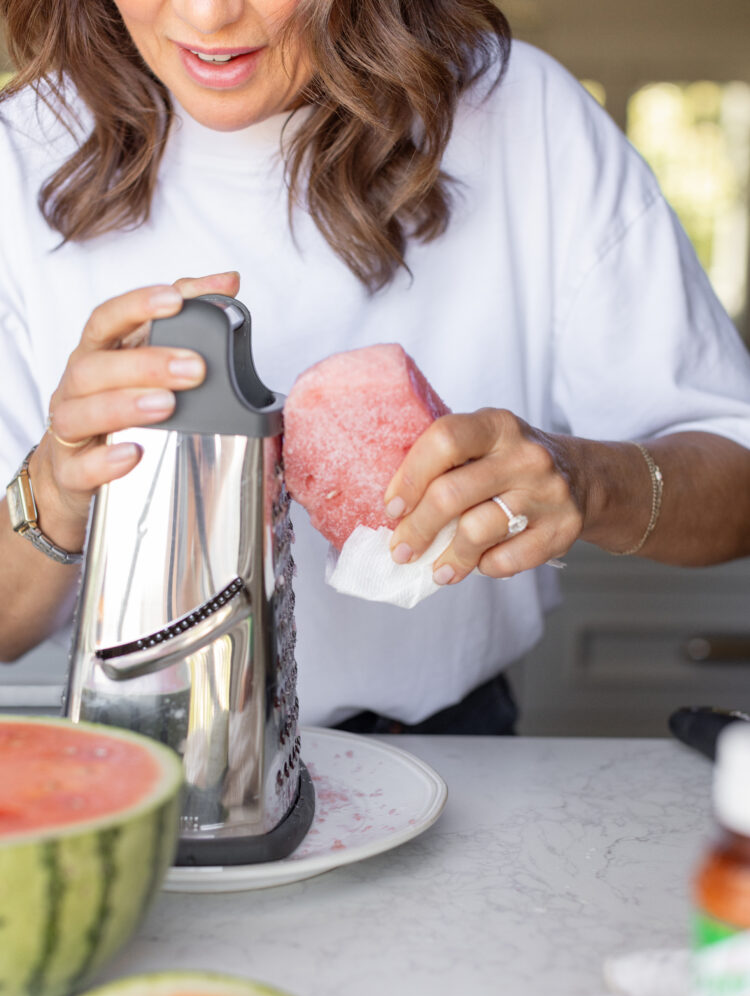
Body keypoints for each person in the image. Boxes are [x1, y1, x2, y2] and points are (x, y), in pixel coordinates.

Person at [1, 0, 750, 736]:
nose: (207, 15)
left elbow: (737, 482)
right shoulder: (19, 153)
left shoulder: (525, 114)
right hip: (142, 747)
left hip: (450, 748)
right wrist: (58, 491)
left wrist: (588, 479)